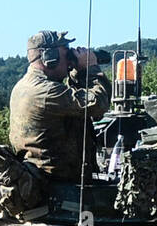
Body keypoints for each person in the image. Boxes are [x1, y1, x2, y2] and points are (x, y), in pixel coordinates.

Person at [9, 30, 111, 182]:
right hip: (57, 186)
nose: (70, 60)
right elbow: (98, 104)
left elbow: (75, 105)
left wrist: (77, 73)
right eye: (66, 54)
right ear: (50, 57)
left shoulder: (24, 85)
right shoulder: (46, 91)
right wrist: (91, 68)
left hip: (39, 176)